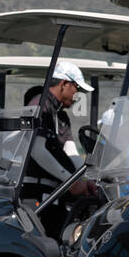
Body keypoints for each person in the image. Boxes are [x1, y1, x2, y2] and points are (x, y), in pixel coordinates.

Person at [20, 60, 95, 236]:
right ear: (64, 84)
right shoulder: (39, 105)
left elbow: (71, 151)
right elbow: (37, 150)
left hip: (54, 193)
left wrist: (84, 179)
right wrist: (71, 182)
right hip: (35, 194)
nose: (77, 93)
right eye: (76, 87)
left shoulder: (61, 115)